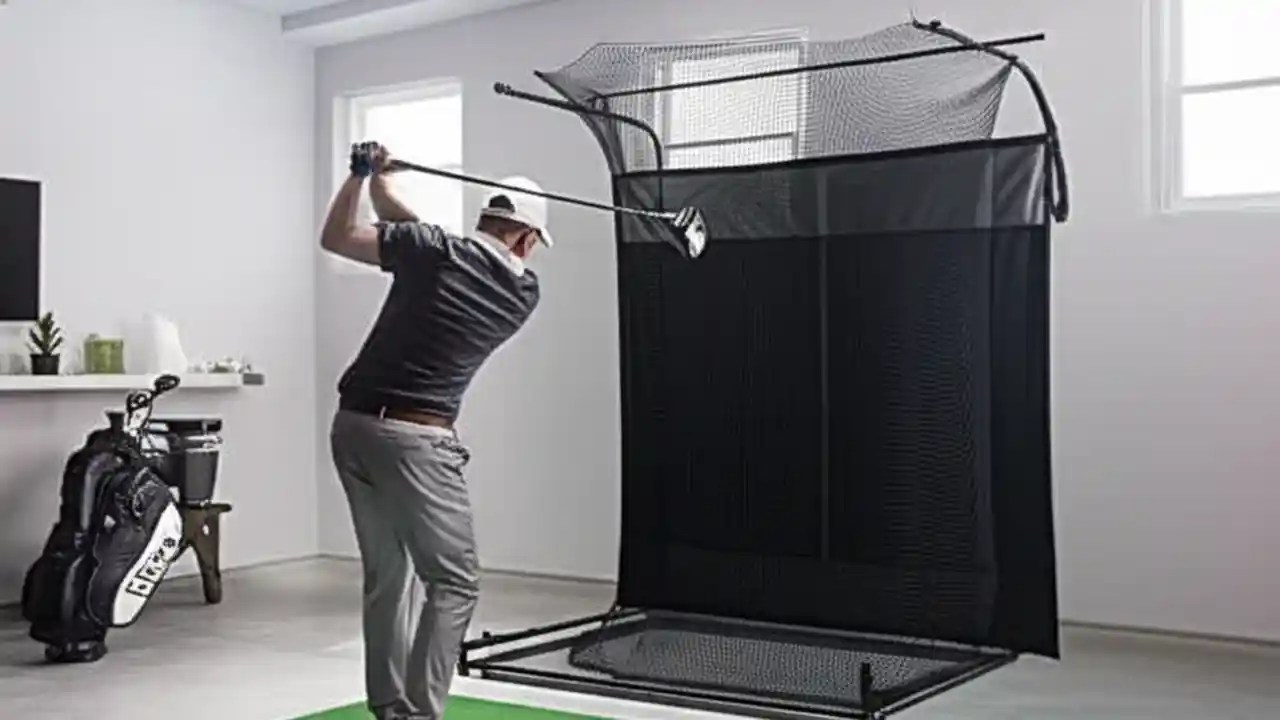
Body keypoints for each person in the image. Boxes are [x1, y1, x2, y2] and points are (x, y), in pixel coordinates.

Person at [319, 142, 550, 720]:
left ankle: (390, 707)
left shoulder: (433, 252)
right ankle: (421, 715)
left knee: (388, 576)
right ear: (525, 240)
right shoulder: (522, 293)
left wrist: (361, 176)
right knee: (454, 583)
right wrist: (379, 181)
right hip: (417, 443)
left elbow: (339, 236)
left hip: (352, 430)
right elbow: (420, 235)